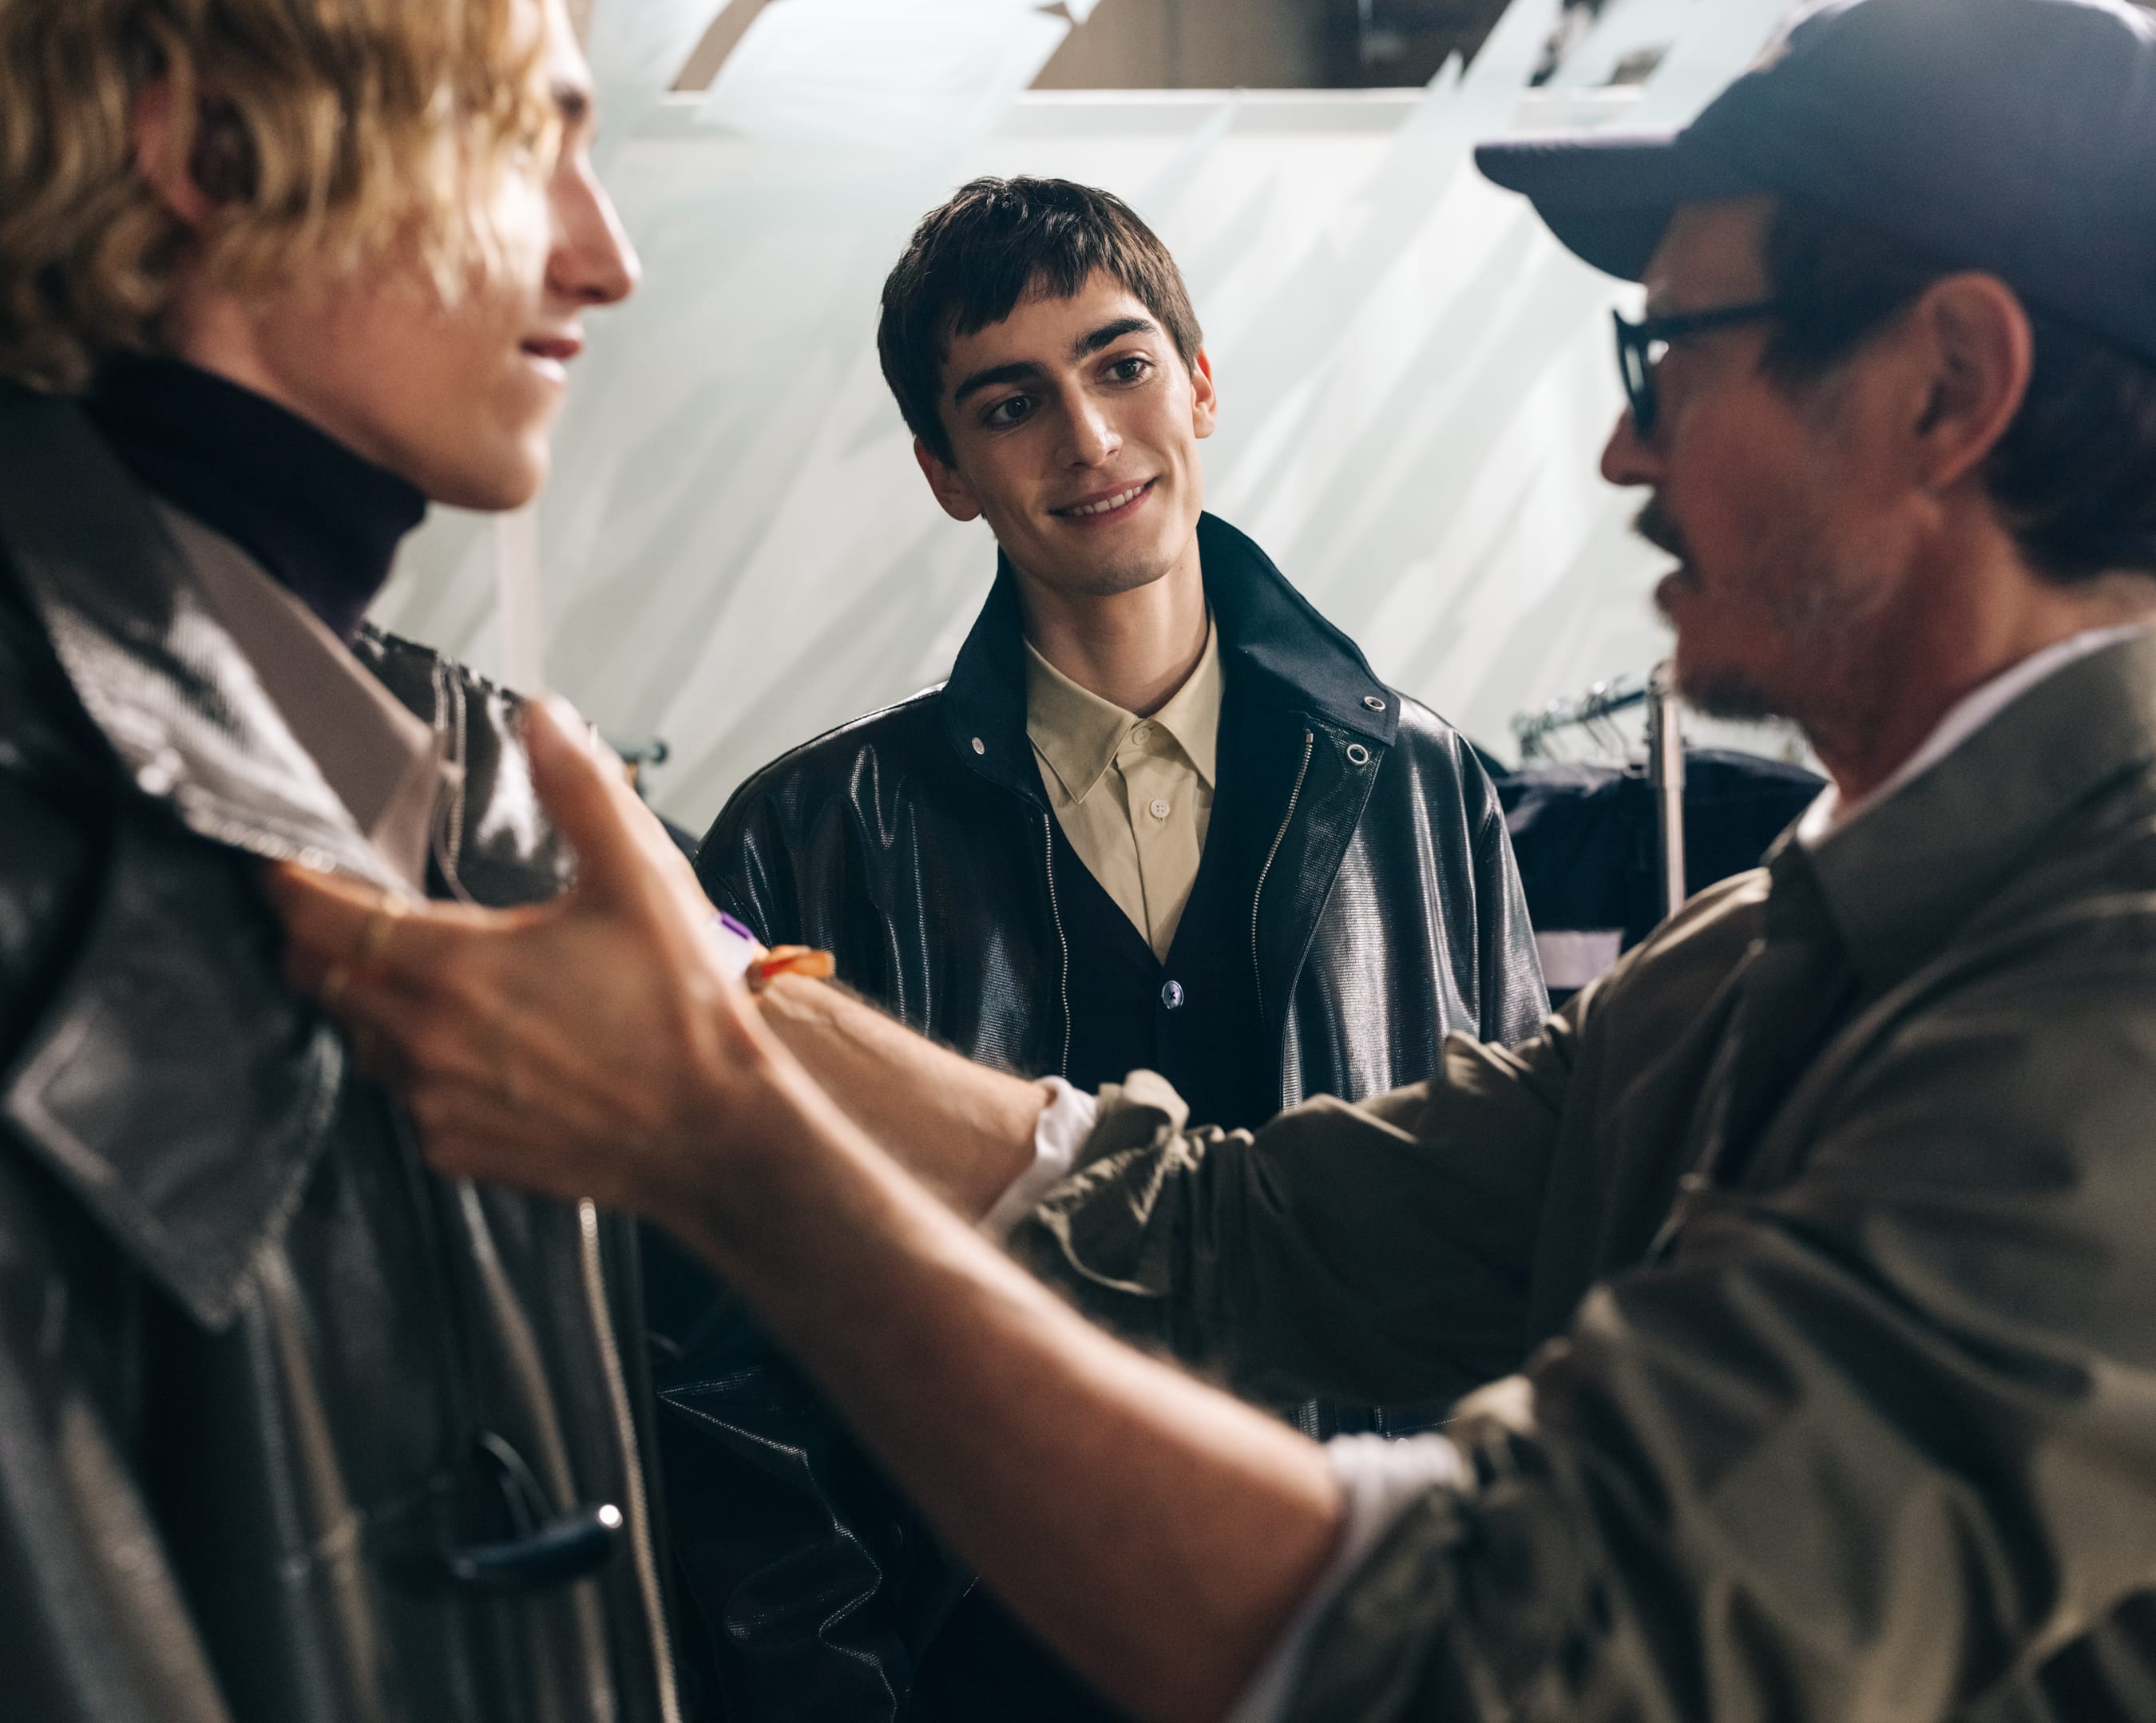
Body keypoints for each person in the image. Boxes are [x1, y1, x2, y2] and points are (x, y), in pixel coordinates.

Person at [270, 0, 2156, 1717]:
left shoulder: (2106, 994)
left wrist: (728, 1144)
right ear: (948, 460)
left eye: (1665, 357)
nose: (1617, 450)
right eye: (1009, 398)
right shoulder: (1755, 949)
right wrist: (750, 1006)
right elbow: (1234, 1229)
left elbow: (1505, 1649)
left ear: (1948, 385)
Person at [667, 175, 1544, 1721]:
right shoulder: (809, 838)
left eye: (1121, 364)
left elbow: (1521, 1238)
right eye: (1011, 404)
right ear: (946, 473)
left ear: (1199, 385)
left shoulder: (1425, 791)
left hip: (1366, 1651)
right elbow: (725, 1367)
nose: (1085, 437)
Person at [0, 0, 662, 1717]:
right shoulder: (41, 839)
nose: (607, 259)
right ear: (205, 145)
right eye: (528, 143)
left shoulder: (468, 773)